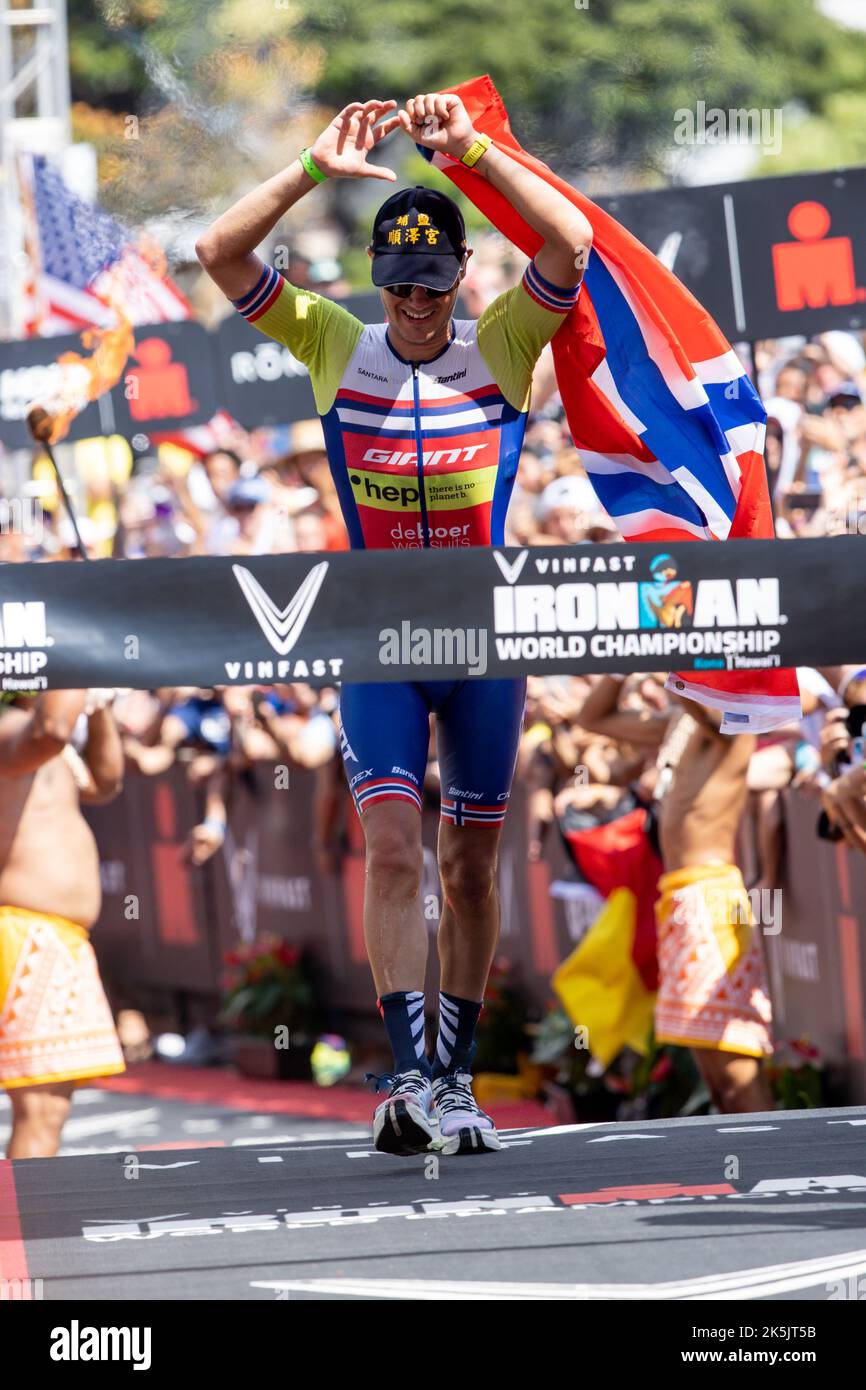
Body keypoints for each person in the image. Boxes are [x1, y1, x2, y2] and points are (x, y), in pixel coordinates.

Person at [197, 91, 592, 1155]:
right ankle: (409, 1076)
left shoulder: (506, 344)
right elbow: (216, 248)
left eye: (430, 285)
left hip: (480, 644)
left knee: (467, 866)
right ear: (376, 284)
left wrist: (473, 155)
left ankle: (459, 1078)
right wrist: (310, 172)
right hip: (379, 640)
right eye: (397, 286)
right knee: (387, 849)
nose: (414, 306)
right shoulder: (333, 342)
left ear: (461, 275)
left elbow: (570, 240)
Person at [0, 689, 126, 1157]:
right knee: (40, 1108)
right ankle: (19, 1227)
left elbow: (106, 783)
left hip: (49, 938)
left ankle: (19, 1222)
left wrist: (101, 708)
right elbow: (51, 729)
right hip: (28, 933)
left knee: (47, 1109)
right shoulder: (12, 729)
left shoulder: (49, 745)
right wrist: (77, 661)